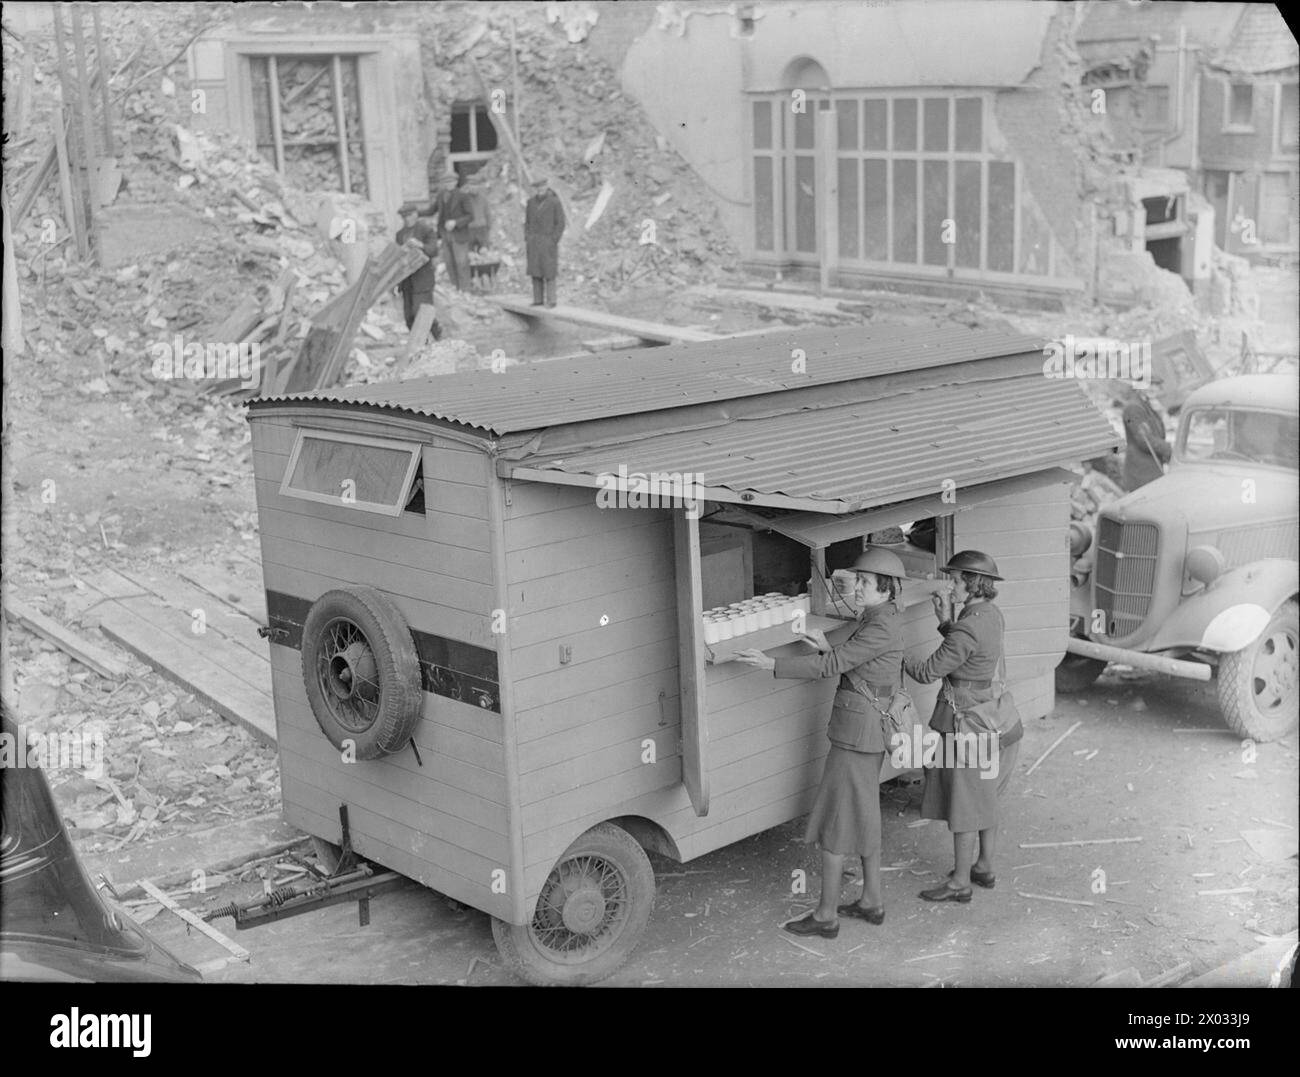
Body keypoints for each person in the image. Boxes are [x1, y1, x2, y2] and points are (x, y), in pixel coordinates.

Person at [733, 548, 906, 938]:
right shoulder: (887, 616)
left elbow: (832, 667)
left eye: (864, 582)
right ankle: (871, 900)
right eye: (858, 580)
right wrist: (828, 643)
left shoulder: (878, 625)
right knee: (864, 814)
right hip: (869, 731)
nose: (857, 587)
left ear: (887, 588)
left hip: (856, 733)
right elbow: (856, 657)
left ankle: (827, 915)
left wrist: (772, 665)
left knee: (834, 822)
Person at [903, 551, 1022, 904]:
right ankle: (984, 865)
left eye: (955, 580)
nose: (950, 585)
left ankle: (960, 881)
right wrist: (945, 622)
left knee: (965, 802)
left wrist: (895, 649)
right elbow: (968, 651)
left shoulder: (968, 625)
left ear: (972, 583)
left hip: (963, 722)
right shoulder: (988, 614)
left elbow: (926, 672)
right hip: (985, 715)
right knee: (982, 794)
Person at [395, 203, 442, 343]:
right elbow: (398, 258)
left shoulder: (426, 230)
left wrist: (420, 245)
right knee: (409, 317)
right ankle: (425, 342)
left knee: (420, 312)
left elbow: (433, 250)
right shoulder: (400, 234)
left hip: (423, 279)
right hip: (407, 281)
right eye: (404, 217)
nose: (407, 219)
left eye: (409, 215)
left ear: (416, 214)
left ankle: (434, 337)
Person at [1118, 382, 1171, 491]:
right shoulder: (1133, 408)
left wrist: (1160, 413)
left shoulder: (1147, 405)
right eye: (1148, 384)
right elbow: (1144, 440)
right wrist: (1169, 449)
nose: (1153, 388)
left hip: (1150, 469)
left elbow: (1160, 434)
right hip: (1142, 473)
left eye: (1155, 384)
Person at [524, 175, 566, 307]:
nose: (540, 189)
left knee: (549, 271)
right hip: (534, 242)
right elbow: (527, 222)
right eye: (537, 187)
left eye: (542, 187)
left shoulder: (554, 202)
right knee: (535, 271)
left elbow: (560, 223)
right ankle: (538, 300)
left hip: (548, 241)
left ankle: (551, 301)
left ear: (547, 187)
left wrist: (553, 239)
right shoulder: (530, 202)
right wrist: (528, 237)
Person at [434, 173, 473, 291]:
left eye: (451, 182)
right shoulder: (441, 196)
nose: (448, 184)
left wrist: (455, 222)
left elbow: (470, 216)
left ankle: (466, 291)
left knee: (462, 264)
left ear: (456, 182)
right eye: (446, 182)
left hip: (459, 236)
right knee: (450, 264)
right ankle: (456, 291)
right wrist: (416, 212)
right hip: (446, 236)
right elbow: (431, 209)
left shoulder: (463, 196)